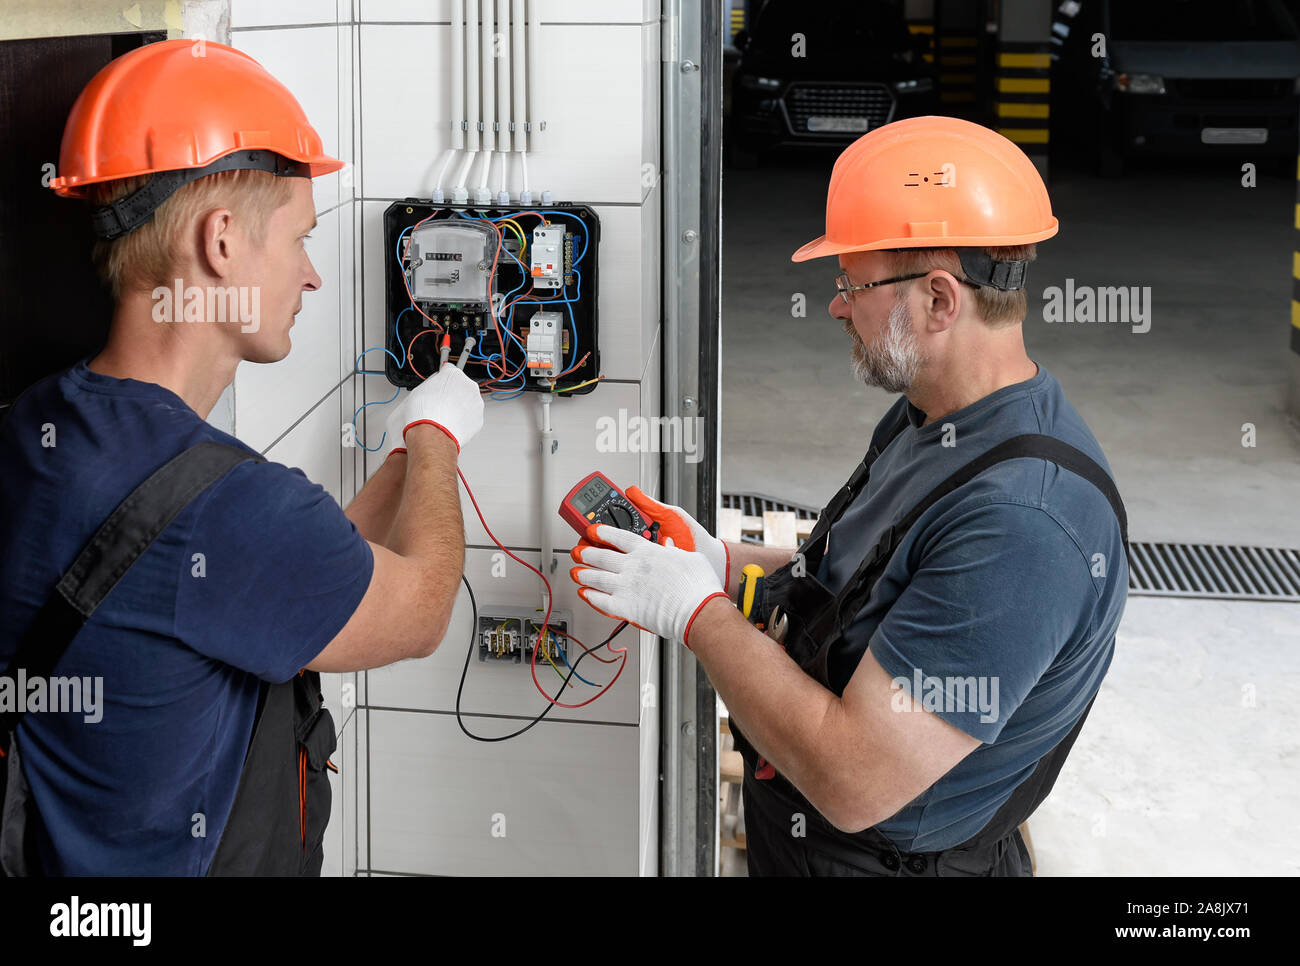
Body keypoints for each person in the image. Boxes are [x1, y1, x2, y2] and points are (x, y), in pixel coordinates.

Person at [569, 115, 1130, 876]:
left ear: (939, 300)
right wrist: (722, 561)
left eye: (852, 284)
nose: (836, 306)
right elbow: (868, 586)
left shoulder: (1022, 525)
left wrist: (697, 614)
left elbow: (854, 778)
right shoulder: (935, 417)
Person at [0, 39, 483, 875]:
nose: (311, 276)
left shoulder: (36, 422)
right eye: (299, 239)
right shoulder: (232, 513)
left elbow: (293, 576)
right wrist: (437, 440)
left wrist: (410, 448)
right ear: (221, 242)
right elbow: (420, 610)